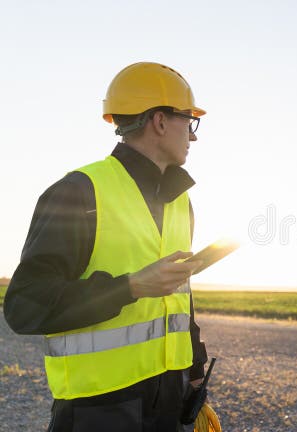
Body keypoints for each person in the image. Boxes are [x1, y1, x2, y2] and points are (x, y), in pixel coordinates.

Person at [3, 62, 210, 432]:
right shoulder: (78, 193)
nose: (192, 136)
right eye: (188, 122)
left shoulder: (181, 202)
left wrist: (195, 378)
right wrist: (129, 287)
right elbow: (24, 304)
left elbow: (181, 299)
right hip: (99, 411)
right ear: (160, 122)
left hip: (171, 406)